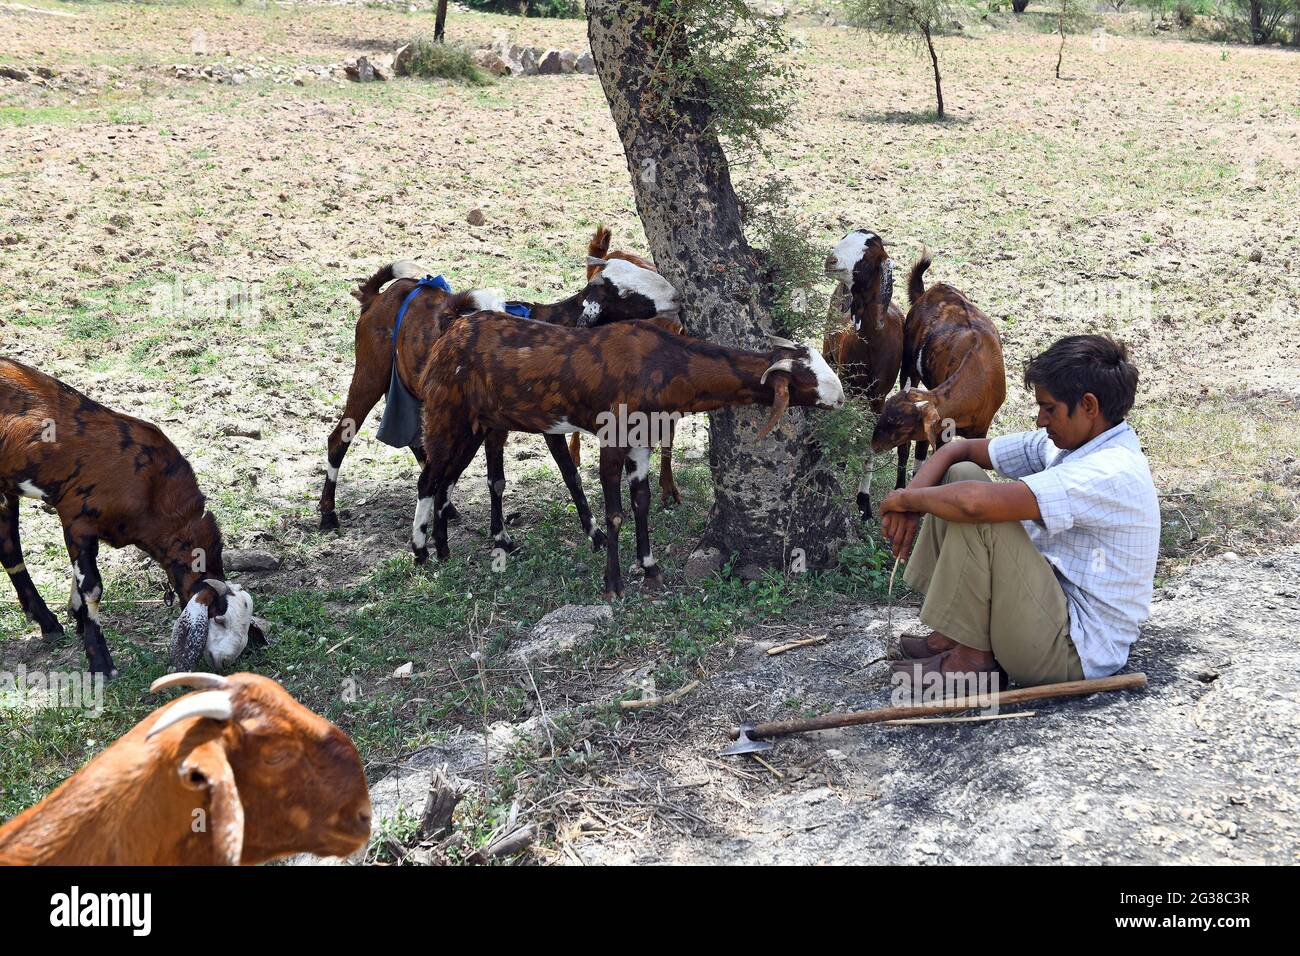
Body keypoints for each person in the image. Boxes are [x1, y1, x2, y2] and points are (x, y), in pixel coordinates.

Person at [879, 334, 1159, 691]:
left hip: (1068, 651)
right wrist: (912, 497)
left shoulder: (1109, 471)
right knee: (961, 476)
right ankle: (954, 635)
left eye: (1050, 408)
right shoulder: (1074, 443)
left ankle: (972, 662)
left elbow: (975, 505)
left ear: (1089, 406)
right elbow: (958, 451)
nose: (1041, 420)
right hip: (1046, 612)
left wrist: (904, 502)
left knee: (977, 510)